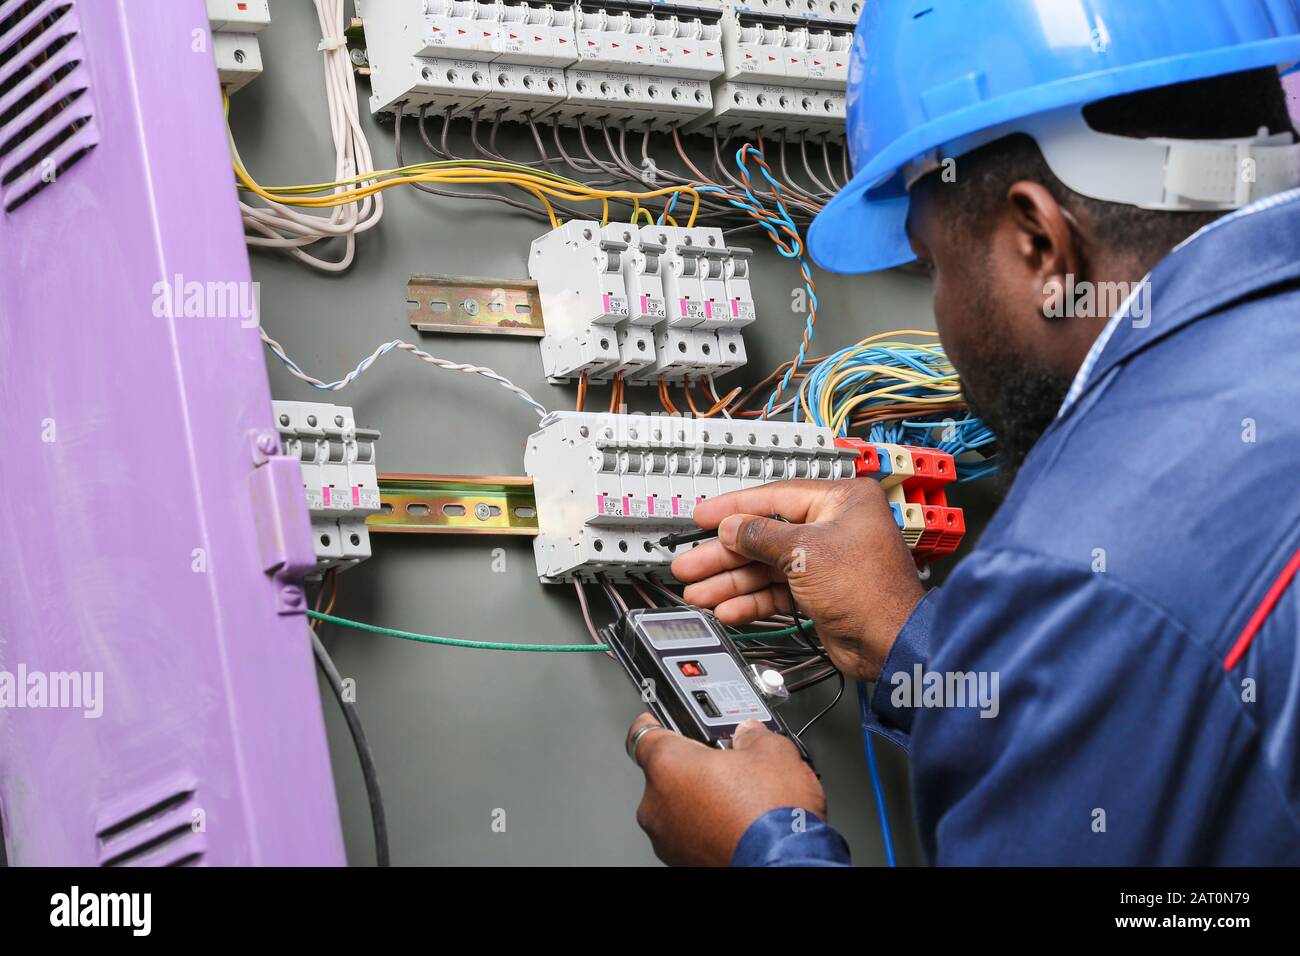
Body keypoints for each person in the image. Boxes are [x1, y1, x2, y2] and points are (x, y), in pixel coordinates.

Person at [624, 0, 1300, 865]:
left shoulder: (1083, 572)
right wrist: (924, 647)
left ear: (1039, 244)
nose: (938, 313)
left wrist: (761, 849)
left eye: (930, 267)